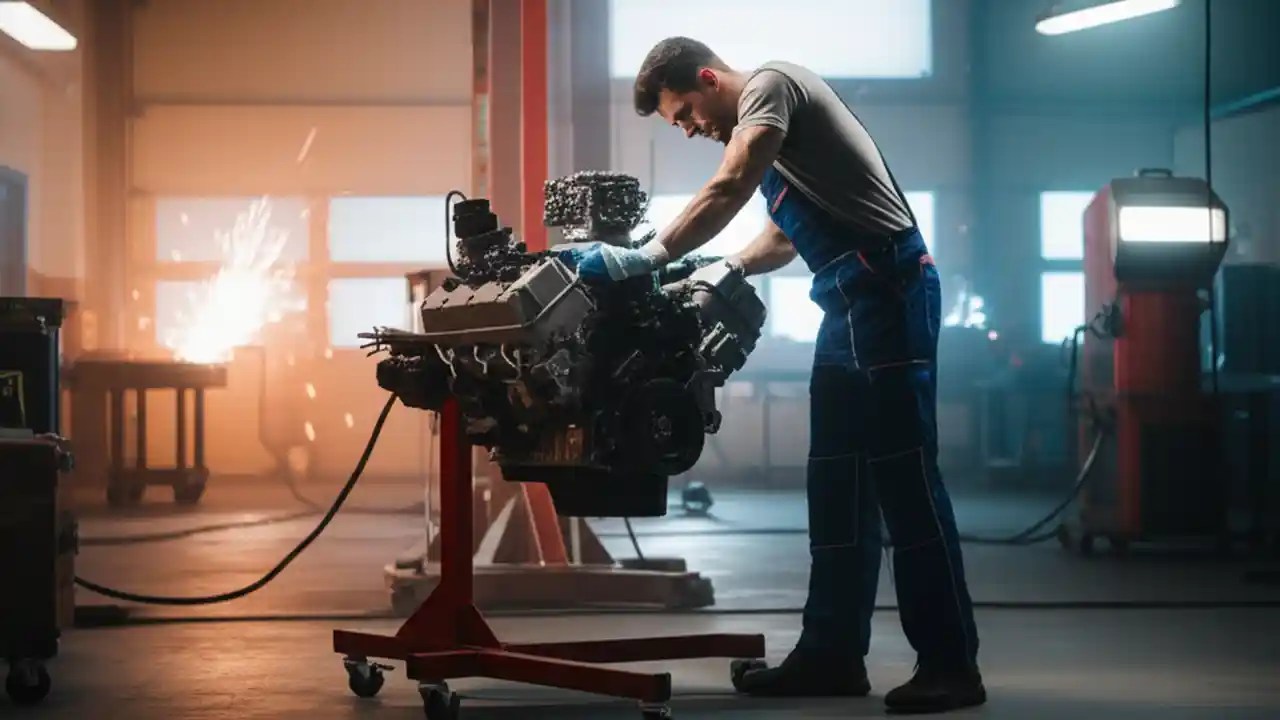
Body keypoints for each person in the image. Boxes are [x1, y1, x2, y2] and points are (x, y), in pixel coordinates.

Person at [565, 37, 985, 713]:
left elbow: (729, 182)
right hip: (846, 301)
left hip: (890, 290)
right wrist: (721, 265)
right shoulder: (777, 143)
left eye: (684, 113)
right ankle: (831, 655)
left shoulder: (771, 87)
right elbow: (786, 237)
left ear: (707, 77)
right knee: (836, 484)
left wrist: (648, 255)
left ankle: (950, 664)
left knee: (905, 478)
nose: (691, 129)